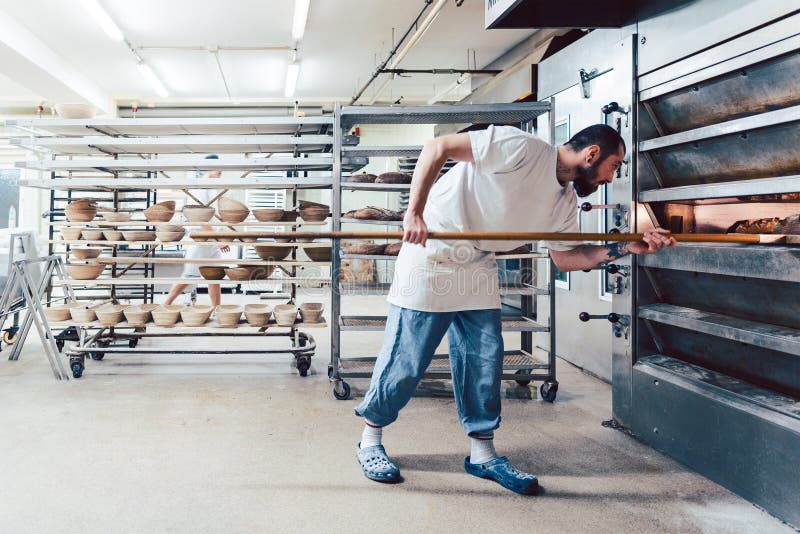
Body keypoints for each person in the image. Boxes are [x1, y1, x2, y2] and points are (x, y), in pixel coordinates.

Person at [354, 124, 675, 494]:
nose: (611, 176)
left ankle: (482, 454)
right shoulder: (520, 148)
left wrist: (624, 248)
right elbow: (437, 146)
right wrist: (414, 213)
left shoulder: (564, 201)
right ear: (592, 155)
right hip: (432, 254)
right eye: (613, 165)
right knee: (407, 359)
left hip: (476, 265)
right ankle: (370, 439)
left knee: (484, 359)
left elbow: (567, 259)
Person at [164, 155, 230, 307]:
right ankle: (165, 306)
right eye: (218, 167)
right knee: (189, 275)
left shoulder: (212, 187)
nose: (221, 170)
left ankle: (216, 310)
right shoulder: (201, 186)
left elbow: (213, 217)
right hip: (201, 239)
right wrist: (217, 240)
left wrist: (219, 238)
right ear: (208, 167)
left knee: (214, 276)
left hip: (212, 239)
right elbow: (200, 218)